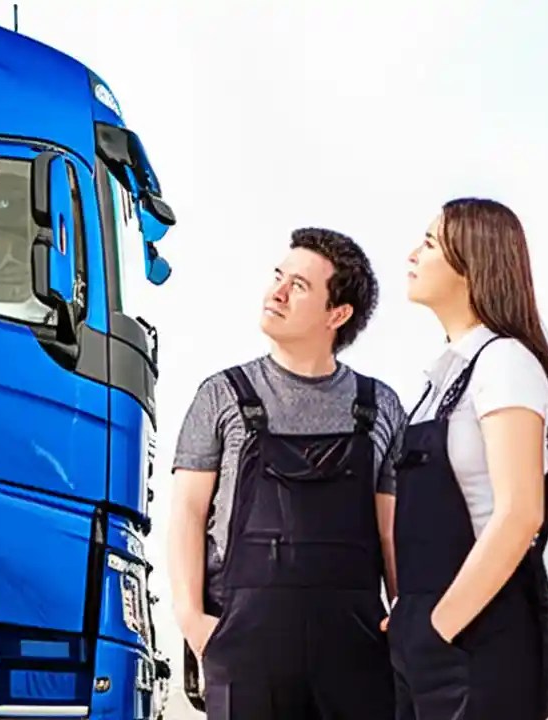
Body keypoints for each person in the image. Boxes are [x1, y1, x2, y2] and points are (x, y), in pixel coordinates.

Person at [167, 227, 405, 719]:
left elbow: (392, 531)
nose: (276, 293)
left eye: (298, 285)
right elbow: (187, 515)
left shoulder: (379, 406)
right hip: (244, 647)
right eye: (279, 276)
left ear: (337, 315)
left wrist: (404, 615)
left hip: (356, 652)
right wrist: (193, 622)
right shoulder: (222, 395)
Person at [387, 198, 548, 720]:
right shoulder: (433, 381)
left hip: (482, 639)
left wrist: (438, 625)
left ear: (473, 264)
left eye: (431, 242)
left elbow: (519, 514)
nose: (413, 253)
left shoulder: (505, 363)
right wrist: (409, 617)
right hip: (429, 639)